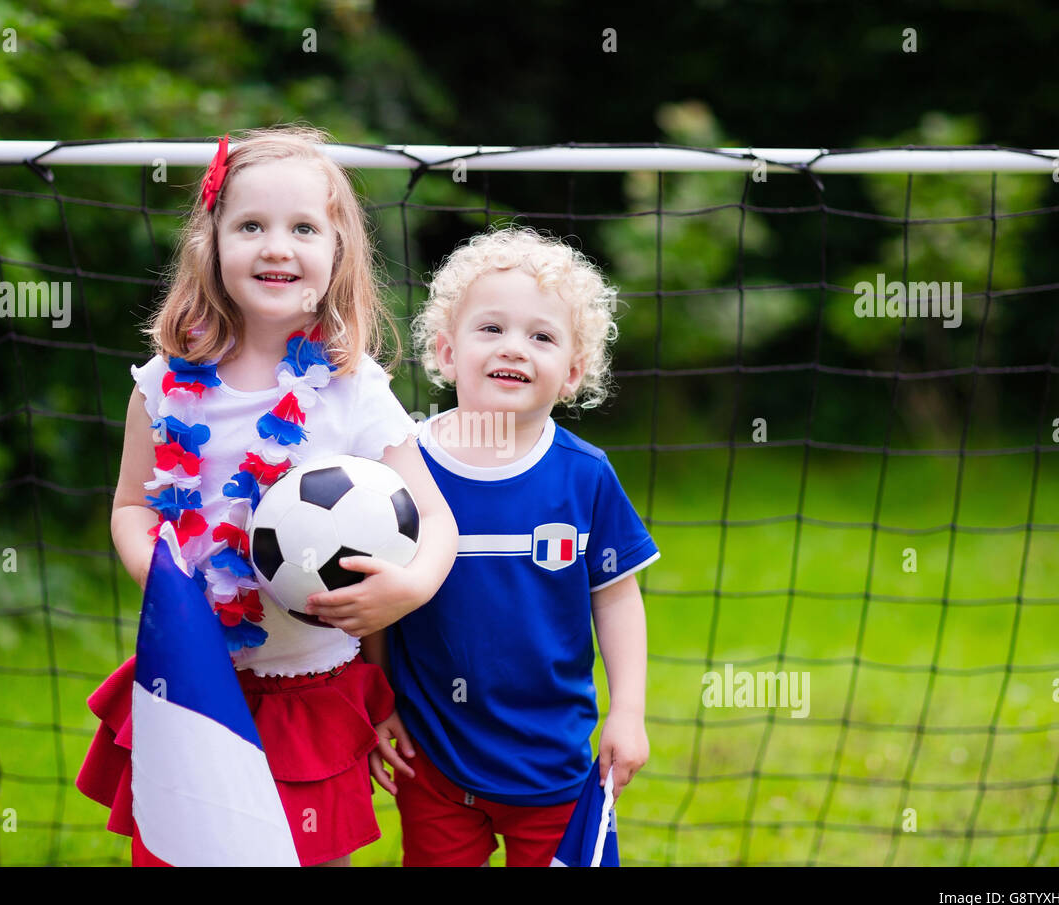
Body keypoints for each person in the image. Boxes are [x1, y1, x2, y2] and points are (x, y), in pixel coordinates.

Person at [77, 125, 458, 867]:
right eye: (251, 225)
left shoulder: (353, 390)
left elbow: (435, 519)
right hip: (189, 675)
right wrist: (159, 577)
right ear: (211, 242)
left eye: (303, 228)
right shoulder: (161, 385)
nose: (276, 247)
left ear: (338, 251)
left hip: (308, 687)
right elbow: (132, 507)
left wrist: (407, 588)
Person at [361, 226, 659, 866]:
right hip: (435, 760)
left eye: (542, 336)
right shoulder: (401, 468)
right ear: (445, 352)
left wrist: (627, 713)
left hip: (553, 764)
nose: (514, 349)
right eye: (491, 329)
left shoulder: (584, 475)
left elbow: (616, 599)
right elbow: (378, 601)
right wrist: (379, 698)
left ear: (573, 372)